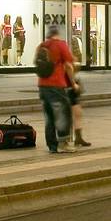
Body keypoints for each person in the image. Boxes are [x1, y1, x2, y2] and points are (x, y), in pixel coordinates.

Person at [36, 25, 76, 154]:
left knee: (49, 117)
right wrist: (73, 83)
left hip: (42, 86)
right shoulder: (60, 45)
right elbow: (69, 65)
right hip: (57, 85)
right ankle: (63, 143)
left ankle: (52, 146)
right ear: (57, 34)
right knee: (62, 114)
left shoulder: (42, 46)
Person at [69, 66, 92, 147]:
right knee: (76, 115)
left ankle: (78, 138)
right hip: (70, 93)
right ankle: (76, 138)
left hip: (71, 93)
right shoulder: (67, 65)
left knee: (77, 115)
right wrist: (75, 84)